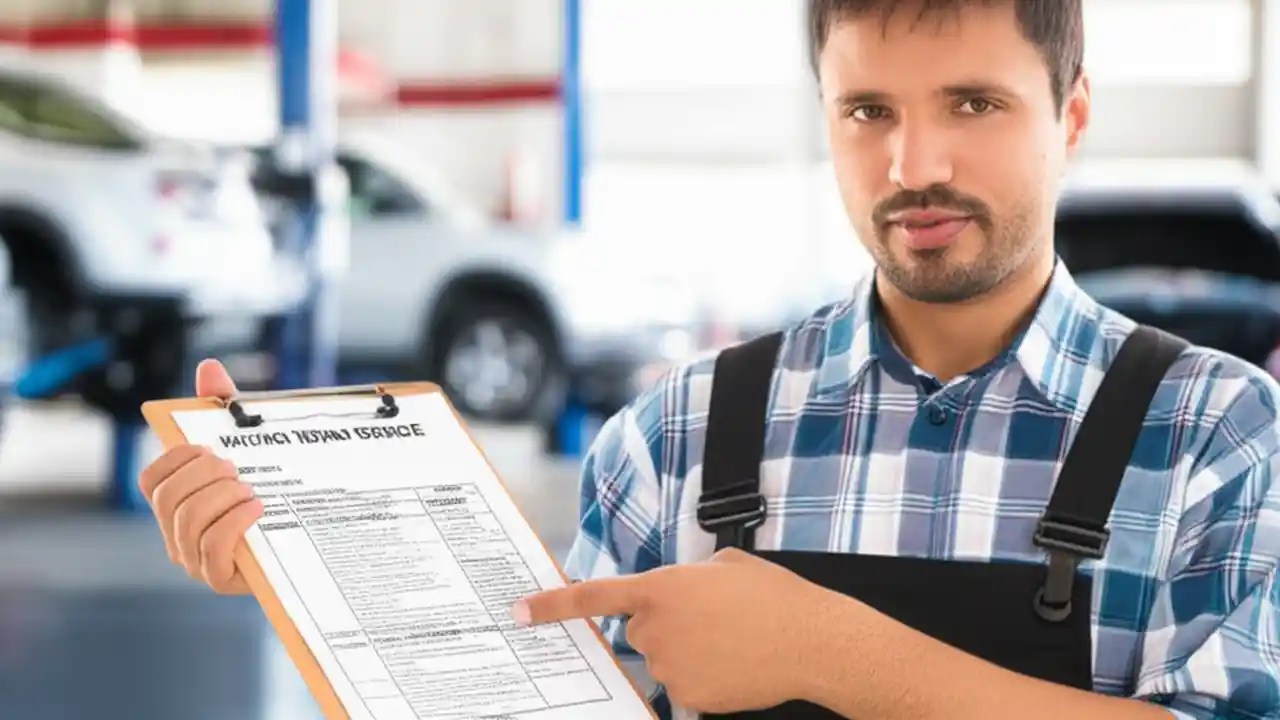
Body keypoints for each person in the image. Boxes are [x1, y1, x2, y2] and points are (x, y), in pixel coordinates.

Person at [136, 1, 1279, 719]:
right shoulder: (677, 433)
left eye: (971, 103)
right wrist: (314, 578)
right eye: (865, 111)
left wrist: (833, 656)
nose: (909, 164)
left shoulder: (1215, 435)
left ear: (1069, 114)